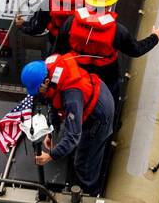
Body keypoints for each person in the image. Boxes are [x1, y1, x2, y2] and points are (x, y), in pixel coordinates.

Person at [55, 0, 159, 104]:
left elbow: (59, 49)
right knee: (108, 101)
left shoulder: (71, 22)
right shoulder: (117, 31)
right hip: (106, 77)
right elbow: (136, 50)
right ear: (109, 5)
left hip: (77, 72)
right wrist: (155, 37)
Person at [21, 54, 114, 195]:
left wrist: (50, 156)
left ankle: (91, 193)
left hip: (98, 116)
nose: (35, 95)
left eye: (37, 90)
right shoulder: (49, 70)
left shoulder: (71, 97)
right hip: (91, 95)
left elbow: (73, 136)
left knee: (83, 164)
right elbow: (53, 101)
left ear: (46, 81)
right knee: (65, 136)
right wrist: (51, 131)